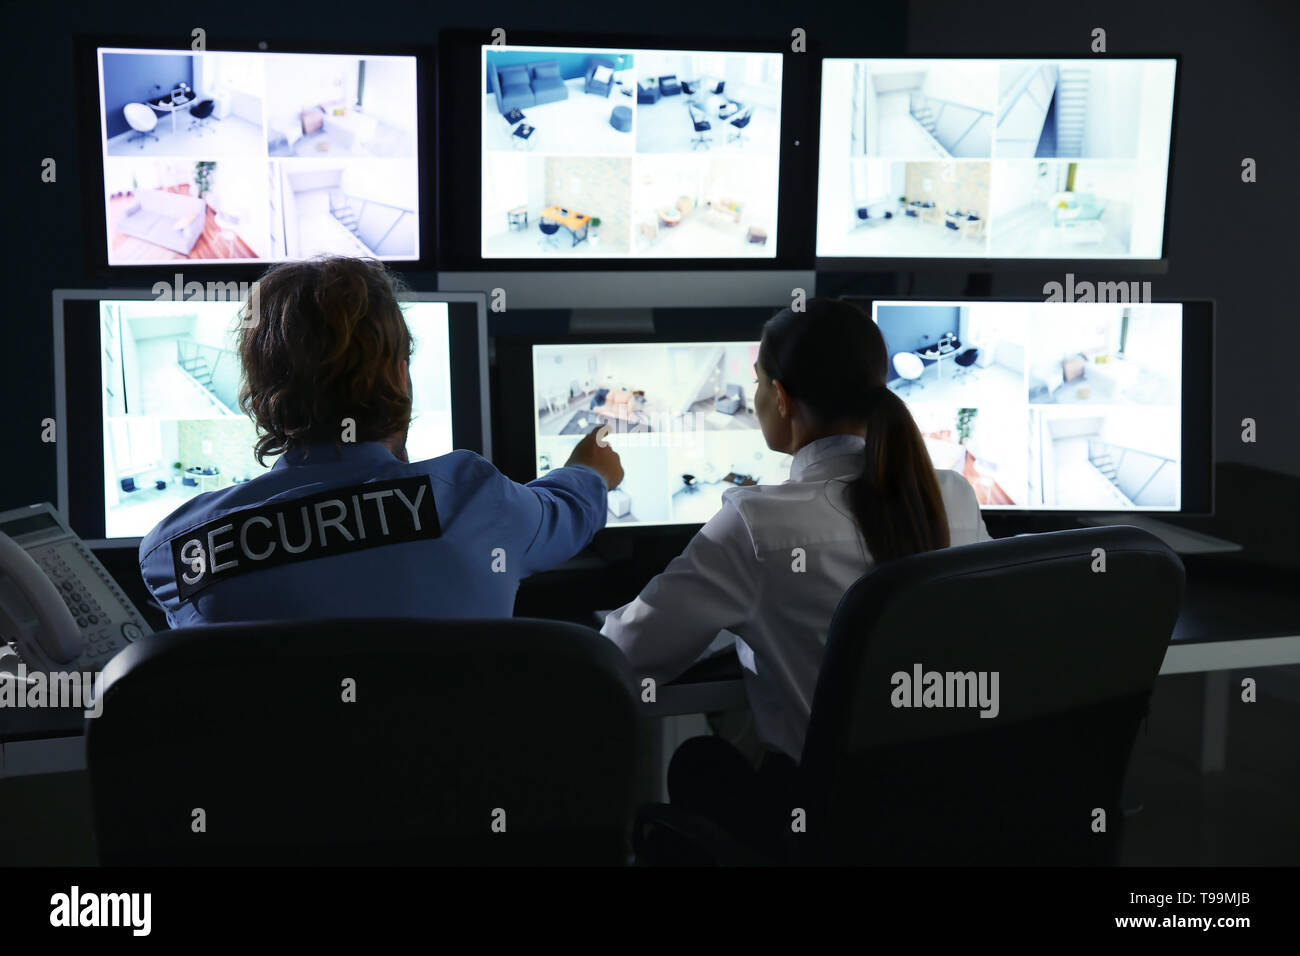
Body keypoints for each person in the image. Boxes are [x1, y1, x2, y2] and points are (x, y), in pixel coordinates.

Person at [600, 297, 989, 855]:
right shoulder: (951, 493)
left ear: (781, 398)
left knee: (698, 763)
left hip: (830, 828)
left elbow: (627, 653)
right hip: (950, 814)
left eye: (758, 382)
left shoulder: (756, 524)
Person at [139, 256, 622, 627]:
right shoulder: (477, 499)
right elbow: (567, 512)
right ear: (399, 372)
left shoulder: (177, 552)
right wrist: (590, 470)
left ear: (260, 388)